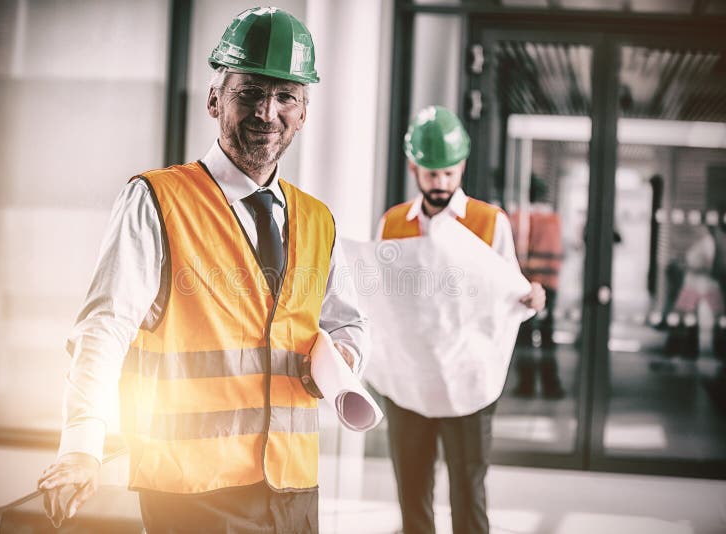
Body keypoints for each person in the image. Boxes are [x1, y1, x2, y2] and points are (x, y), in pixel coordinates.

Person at [37, 7, 367, 533]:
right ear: (215, 99)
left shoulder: (318, 220)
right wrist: (82, 446)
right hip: (192, 492)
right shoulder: (157, 200)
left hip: (293, 485)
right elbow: (104, 328)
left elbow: (347, 325)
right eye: (249, 92)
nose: (267, 112)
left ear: (303, 112)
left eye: (286, 96)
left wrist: (344, 356)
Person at [377, 105, 545, 534]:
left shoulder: (490, 223)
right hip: (409, 380)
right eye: (431, 175)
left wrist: (531, 300)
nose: (441, 185)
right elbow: (381, 297)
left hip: (468, 379)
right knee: (412, 491)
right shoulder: (393, 223)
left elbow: (509, 293)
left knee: (468, 492)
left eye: (449, 174)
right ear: (414, 168)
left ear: (462, 166)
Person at [511, 175, 565, 399]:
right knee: (547, 335)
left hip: (525, 285)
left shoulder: (517, 218)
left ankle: (526, 385)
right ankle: (551, 385)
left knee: (524, 334)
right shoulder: (553, 220)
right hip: (549, 284)